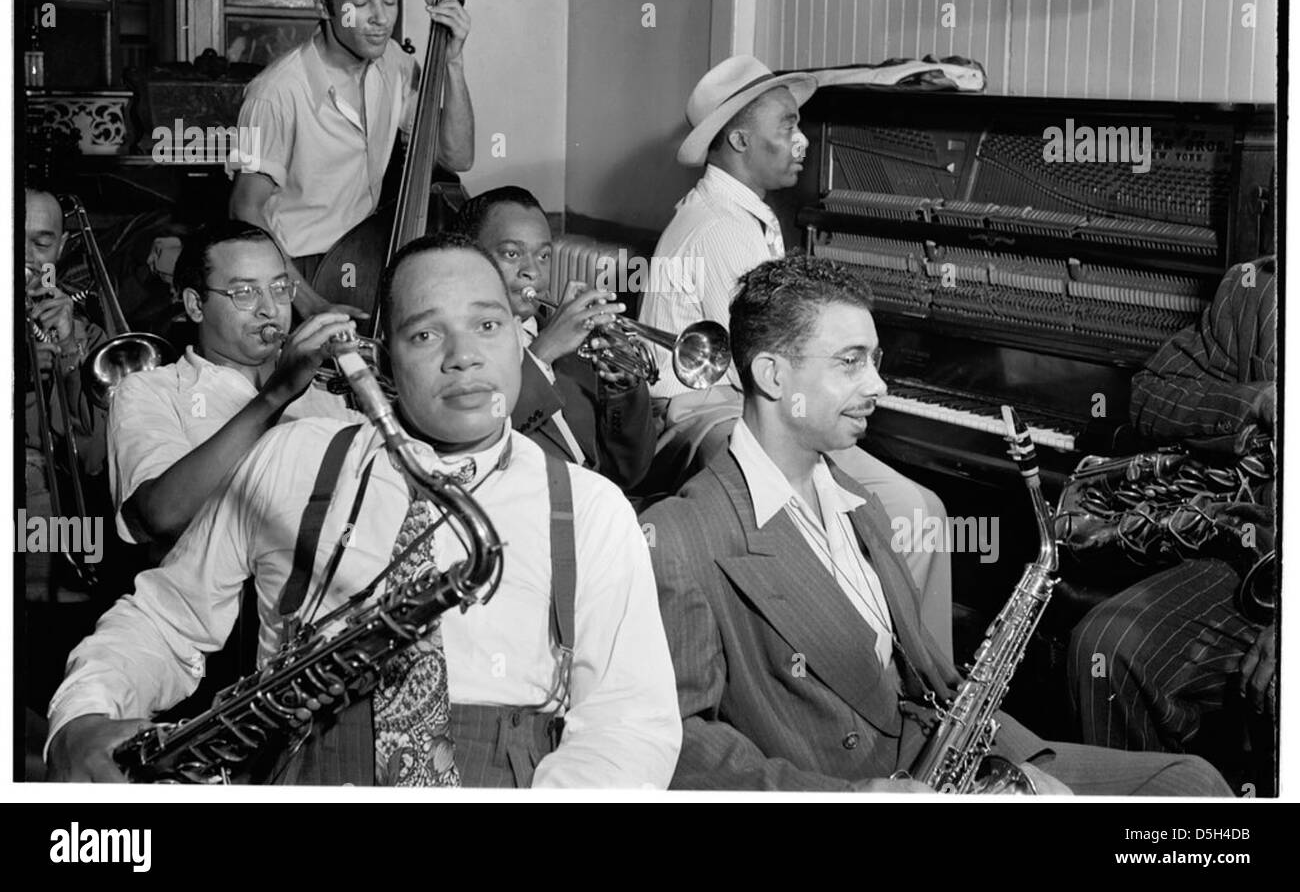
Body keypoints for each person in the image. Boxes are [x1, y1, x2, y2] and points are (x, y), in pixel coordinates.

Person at [46, 233, 681, 788]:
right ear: (383, 361)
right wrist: (82, 715)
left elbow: (628, 721)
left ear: (520, 343)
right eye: (426, 333)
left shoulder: (592, 508)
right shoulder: (292, 457)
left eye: (487, 326)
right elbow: (164, 621)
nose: (463, 356)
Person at [643, 255, 1230, 794]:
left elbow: (935, 688)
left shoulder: (858, 501)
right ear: (772, 377)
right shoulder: (681, 533)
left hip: (948, 760)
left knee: (1189, 779)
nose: (877, 386)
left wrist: (1027, 771)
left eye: (875, 361)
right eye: (849, 363)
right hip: (859, 785)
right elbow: (679, 747)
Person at [638, 55, 952, 655]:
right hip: (707, 419)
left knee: (909, 507)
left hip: (748, 399)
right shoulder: (720, 229)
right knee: (917, 513)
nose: (802, 141)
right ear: (738, 138)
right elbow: (775, 362)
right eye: (787, 126)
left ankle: (900, 671)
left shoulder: (740, 212)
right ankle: (908, 681)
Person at [1068, 257, 1277, 764]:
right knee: (1103, 648)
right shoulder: (1260, 287)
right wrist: (1258, 401)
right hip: (1256, 560)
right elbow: (1150, 396)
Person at [229, 0, 476, 319]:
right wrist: (310, 303)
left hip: (367, 258)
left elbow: (457, 155)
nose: (381, 18)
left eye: (390, 1)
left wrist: (452, 63)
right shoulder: (273, 93)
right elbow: (244, 208)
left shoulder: (394, 63)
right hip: (295, 271)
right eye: (360, 3)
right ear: (323, 6)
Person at [107, 221, 353, 549]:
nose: (270, 309)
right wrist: (277, 394)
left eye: (280, 288)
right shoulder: (150, 391)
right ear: (196, 305)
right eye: (245, 293)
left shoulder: (332, 385)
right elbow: (161, 517)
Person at [455, 186, 654, 491]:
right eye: (512, 253)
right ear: (468, 257)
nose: (532, 271)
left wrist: (622, 391)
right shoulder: (457, 353)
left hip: (600, 510)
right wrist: (542, 354)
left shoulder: (580, 347)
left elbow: (628, 472)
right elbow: (471, 456)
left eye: (544, 255)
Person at [23, 186, 107, 598]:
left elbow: (93, 460)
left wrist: (70, 354)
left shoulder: (86, 335)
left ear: (62, 248)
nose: (25, 256)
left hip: (57, 527)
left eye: (41, 242)